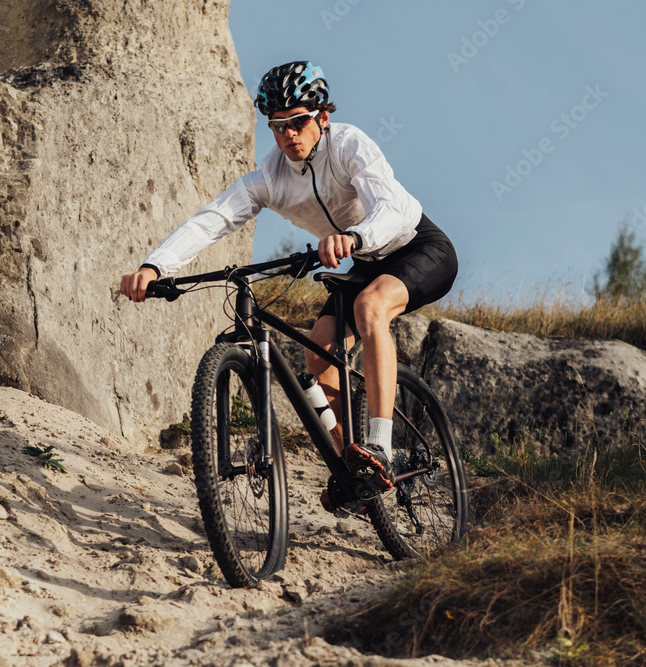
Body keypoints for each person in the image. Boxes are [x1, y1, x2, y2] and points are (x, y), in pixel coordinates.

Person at [121, 61, 457, 503]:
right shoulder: (272, 179)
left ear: (322, 117)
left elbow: (390, 207)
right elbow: (214, 219)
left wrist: (355, 237)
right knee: (316, 358)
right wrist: (155, 267)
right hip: (360, 259)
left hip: (417, 247)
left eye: (297, 122)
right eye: (277, 126)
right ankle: (355, 463)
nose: (287, 135)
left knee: (371, 307)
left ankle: (381, 443)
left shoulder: (350, 145)